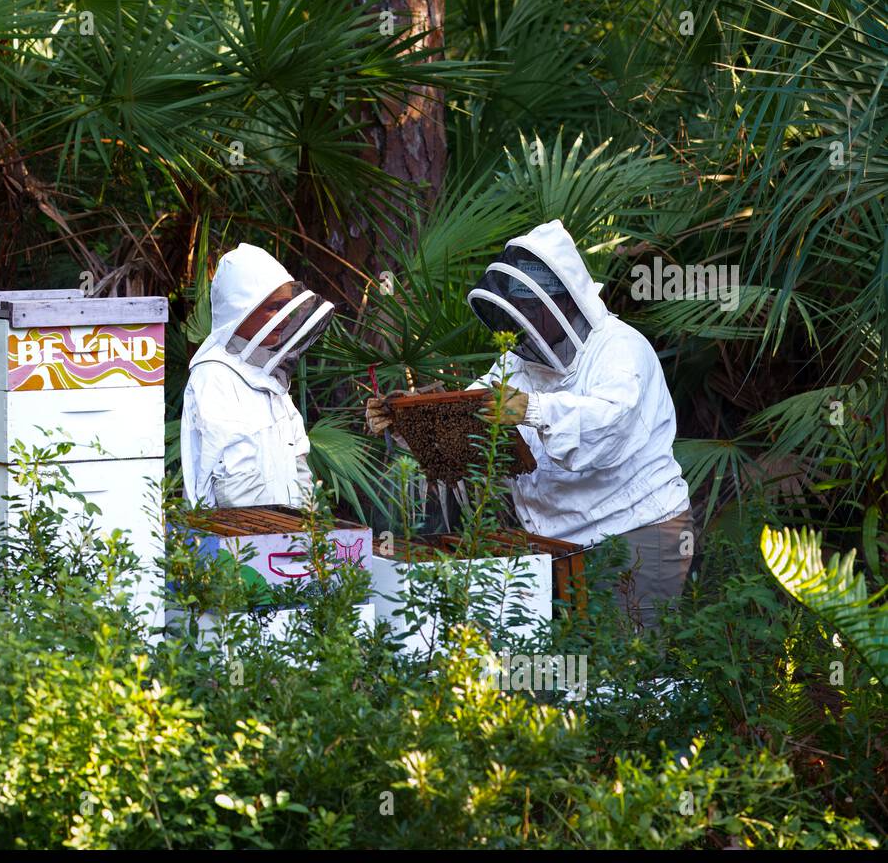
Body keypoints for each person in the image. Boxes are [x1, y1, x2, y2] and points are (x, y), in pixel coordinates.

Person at [365, 220, 693, 628]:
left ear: (568, 301)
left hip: (636, 534)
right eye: (518, 308)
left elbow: (608, 427)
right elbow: (467, 414)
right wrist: (407, 417)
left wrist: (531, 410)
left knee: (628, 670)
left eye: (534, 307)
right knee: (575, 672)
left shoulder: (619, 348)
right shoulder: (519, 361)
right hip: (557, 543)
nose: (525, 318)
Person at [181, 243, 334, 508]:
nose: (284, 319)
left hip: (287, 539)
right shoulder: (214, 376)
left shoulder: (269, 375)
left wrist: (306, 526)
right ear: (241, 309)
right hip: (235, 543)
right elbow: (223, 484)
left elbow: (297, 462)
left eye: (287, 307)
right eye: (274, 307)